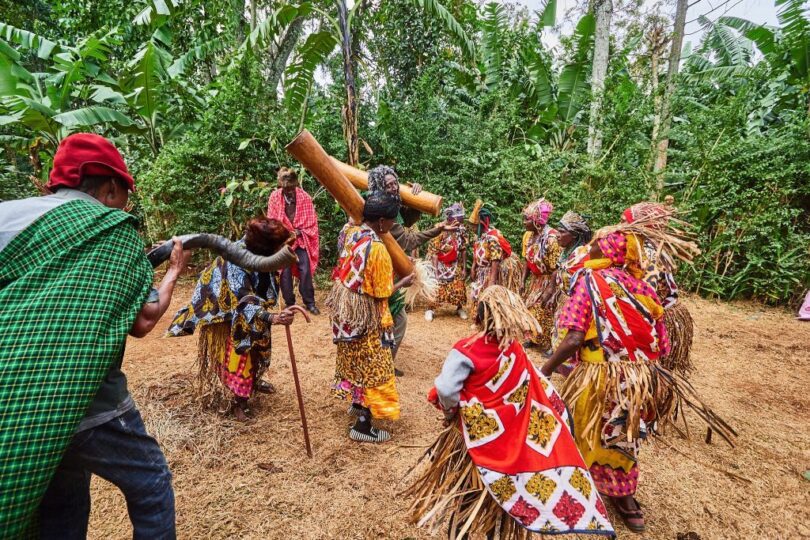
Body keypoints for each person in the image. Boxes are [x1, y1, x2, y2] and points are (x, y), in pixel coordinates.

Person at [0, 133, 190, 538]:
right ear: (109, 188)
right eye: (123, 193)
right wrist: (173, 271)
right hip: (86, 401)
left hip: (13, 408)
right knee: (152, 484)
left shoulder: (9, 216)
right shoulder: (111, 230)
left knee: (61, 498)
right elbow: (144, 321)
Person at [404, 286, 613, 539]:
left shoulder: (466, 350)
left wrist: (450, 412)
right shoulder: (514, 350)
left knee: (468, 496)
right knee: (498, 503)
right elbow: (533, 384)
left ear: (479, 317)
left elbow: (446, 388)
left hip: (474, 443)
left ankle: (459, 533)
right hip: (510, 443)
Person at [540, 232, 669, 533]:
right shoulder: (644, 287)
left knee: (586, 433)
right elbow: (662, 345)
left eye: (595, 245)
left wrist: (547, 368)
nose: (590, 247)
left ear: (607, 251)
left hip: (598, 378)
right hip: (639, 380)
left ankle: (579, 492)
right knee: (625, 436)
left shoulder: (590, 282)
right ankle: (624, 498)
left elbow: (573, 336)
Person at [167, 217, 298, 422]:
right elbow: (242, 303)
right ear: (265, 249)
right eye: (277, 247)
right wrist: (271, 317)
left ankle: (253, 382)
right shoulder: (235, 261)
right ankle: (238, 402)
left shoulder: (265, 254)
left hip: (251, 303)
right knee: (240, 352)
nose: (281, 249)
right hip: (225, 312)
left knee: (257, 345)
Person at [326, 192, 414, 443]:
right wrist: (404, 282)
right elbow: (382, 293)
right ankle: (363, 425)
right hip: (367, 319)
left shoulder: (352, 234)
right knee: (372, 367)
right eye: (392, 221)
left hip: (348, 318)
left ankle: (356, 404)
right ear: (383, 222)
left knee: (355, 362)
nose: (392, 226)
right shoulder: (377, 250)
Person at [365, 165, 456, 374]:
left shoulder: (385, 206)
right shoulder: (380, 212)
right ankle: (383, 364)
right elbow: (408, 239)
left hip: (383, 268)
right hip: (379, 270)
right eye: (388, 185)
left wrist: (416, 198)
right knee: (396, 318)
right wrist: (438, 229)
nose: (394, 188)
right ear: (379, 187)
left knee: (387, 316)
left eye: (395, 182)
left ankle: (379, 359)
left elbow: (409, 220)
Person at [266, 167, 320, 315]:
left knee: (305, 268)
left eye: (291, 188)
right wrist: (283, 234)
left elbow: (311, 222)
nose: (289, 191)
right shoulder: (275, 197)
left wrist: (298, 232)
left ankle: (310, 302)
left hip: (301, 240)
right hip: (283, 243)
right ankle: (290, 303)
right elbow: (271, 221)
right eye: (286, 188)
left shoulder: (305, 198)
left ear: (296, 185)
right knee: (284, 271)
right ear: (281, 186)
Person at [550, 211, 593, 363]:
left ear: (574, 235)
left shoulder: (583, 255)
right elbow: (558, 270)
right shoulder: (566, 252)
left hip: (578, 307)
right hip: (565, 302)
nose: (557, 235)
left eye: (562, 232)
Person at [520, 198, 561, 353]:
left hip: (549, 280)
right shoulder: (530, 236)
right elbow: (527, 258)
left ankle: (549, 342)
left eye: (527, 219)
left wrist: (550, 289)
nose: (524, 222)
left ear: (537, 221)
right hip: (536, 280)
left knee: (545, 308)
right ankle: (533, 338)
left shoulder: (552, 239)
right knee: (531, 307)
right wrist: (523, 280)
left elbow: (556, 267)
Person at [424, 202, 469, 322]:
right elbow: (434, 252)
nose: (462, 220)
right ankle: (430, 309)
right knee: (436, 287)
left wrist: (464, 268)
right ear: (451, 218)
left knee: (459, 286)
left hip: (454, 264)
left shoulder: (462, 230)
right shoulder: (440, 228)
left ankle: (459, 307)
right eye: (460, 218)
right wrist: (436, 272)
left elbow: (463, 249)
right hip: (439, 264)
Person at [469, 205, 522, 306]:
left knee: (490, 302)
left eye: (473, 226)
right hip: (481, 273)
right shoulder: (479, 238)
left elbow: (495, 260)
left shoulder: (492, 238)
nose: (471, 228)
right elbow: (476, 253)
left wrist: (492, 282)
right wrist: (473, 267)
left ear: (481, 224)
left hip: (491, 273)